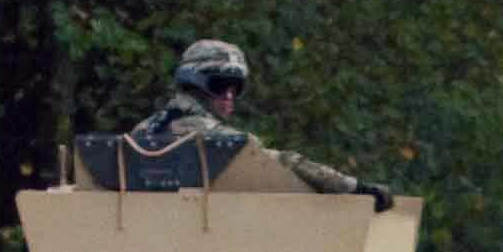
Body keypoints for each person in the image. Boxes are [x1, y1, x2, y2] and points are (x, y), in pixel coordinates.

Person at [132, 38, 391, 207]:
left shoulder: (141, 132)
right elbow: (284, 162)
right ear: (195, 84)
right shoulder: (221, 140)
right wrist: (354, 188)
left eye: (236, 87)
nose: (230, 96)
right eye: (221, 85)